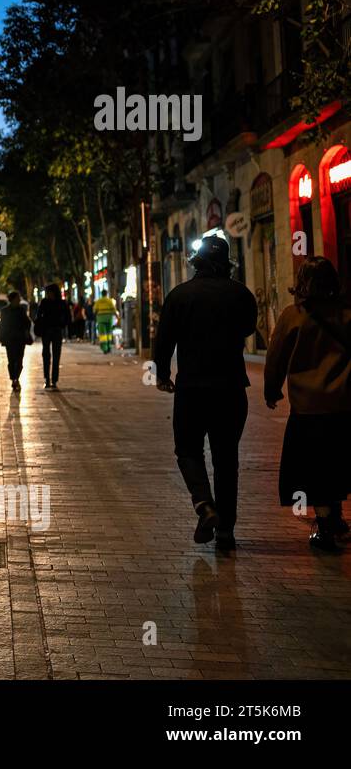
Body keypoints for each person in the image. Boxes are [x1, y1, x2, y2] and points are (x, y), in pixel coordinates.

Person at [154, 234, 259, 551]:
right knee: (227, 459)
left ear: (195, 262)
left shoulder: (180, 296)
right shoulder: (241, 294)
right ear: (226, 262)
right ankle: (225, 532)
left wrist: (162, 373)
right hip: (230, 389)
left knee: (187, 450)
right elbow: (249, 329)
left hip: (192, 389)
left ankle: (204, 504)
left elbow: (164, 341)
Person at [264, 257, 351, 551]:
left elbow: (275, 357)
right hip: (342, 404)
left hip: (307, 408)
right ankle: (335, 517)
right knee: (336, 462)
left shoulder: (292, 316)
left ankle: (326, 524)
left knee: (314, 466)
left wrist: (272, 390)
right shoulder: (347, 315)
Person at [33, 284, 70, 390]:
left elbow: (67, 316)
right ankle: (47, 379)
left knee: (56, 355)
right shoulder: (44, 302)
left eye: (49, 291)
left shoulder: (61, 303)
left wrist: (62, 325)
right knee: (46, 355)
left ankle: (54, 380)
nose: (47, 294)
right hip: (46, 331)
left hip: (57, 330)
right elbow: (38, 315)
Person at [0, 290, 33, 391]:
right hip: (9, 340)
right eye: (17, 298)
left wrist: (26, 331)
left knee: (19, 360)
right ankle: (13, 379)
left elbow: (27, 322)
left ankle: (16, 378)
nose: (19, 300)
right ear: (12, 299)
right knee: (11, 360)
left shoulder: (21, 310)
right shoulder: (4, 311)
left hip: (20, 339)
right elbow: (2, 325)